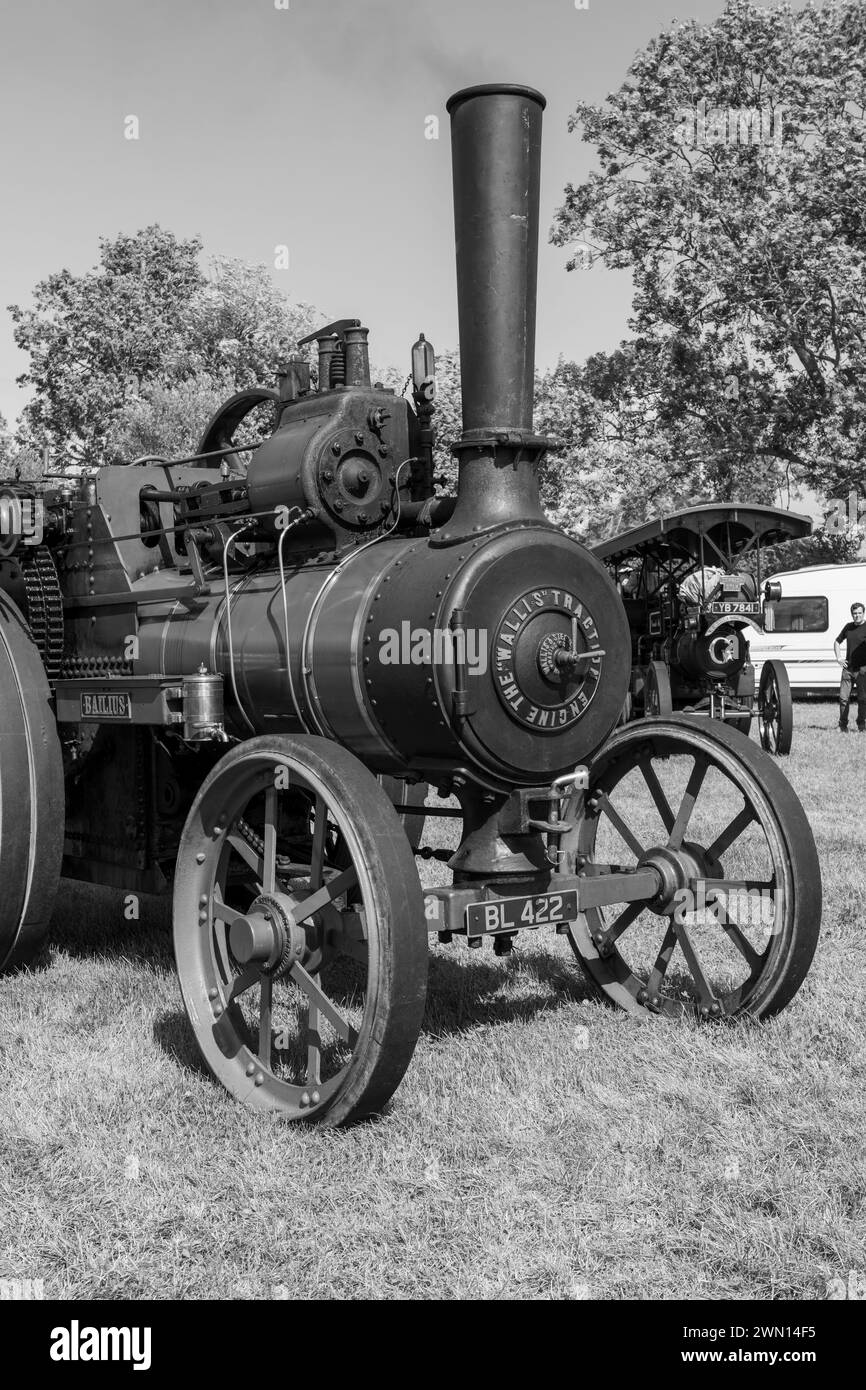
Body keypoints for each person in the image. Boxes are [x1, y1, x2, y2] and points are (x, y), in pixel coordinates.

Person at [834, 602, 866, 732]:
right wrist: (839, 658)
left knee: (863, 699)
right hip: (848, 669)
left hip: (862, 670)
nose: (857, 616)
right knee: (843, 699)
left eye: (859, 613)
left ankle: (861, 724)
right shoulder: (848, 627)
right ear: (851, 614)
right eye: (854, 613)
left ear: (863, 613)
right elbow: (837, 641)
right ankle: (842, 725)